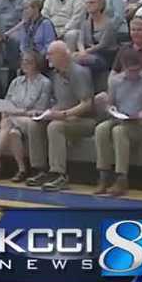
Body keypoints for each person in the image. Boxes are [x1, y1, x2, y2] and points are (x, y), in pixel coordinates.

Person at [26, 41, 95, 192]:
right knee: (34, 124)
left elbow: (86, 104)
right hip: (65, 116)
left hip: (84, 120)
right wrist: (45, 112)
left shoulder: (79, 72)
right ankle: (40, 170)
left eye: (51, 54)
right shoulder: (55, 74)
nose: (47, 56)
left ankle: (59, 174)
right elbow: (59, 102)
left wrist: (64, 114)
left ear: (63, 55)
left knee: (55, 127)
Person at [92, 49, 142, 197]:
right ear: (123, 68)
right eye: (131, 71)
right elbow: (110, 104)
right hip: (118, 118)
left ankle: (121, 177)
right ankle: (104, 174)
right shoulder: (115, 81)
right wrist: (109, 108)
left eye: (137, 70)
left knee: (119, 131)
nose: (134, 74)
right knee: (101, 129)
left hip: (140, 125)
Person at [0, 50, 52, 181]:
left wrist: (16, 113)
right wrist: (8, 111)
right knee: (12, 134)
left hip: (33, 120)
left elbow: (39, 110)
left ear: (37, 64)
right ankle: (22, 169)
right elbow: (7, 103)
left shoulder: (44, 83)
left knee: (8, 120)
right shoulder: (16, 82)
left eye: (28, 62)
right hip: (15, 120)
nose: (24, 64)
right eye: (23, 61)